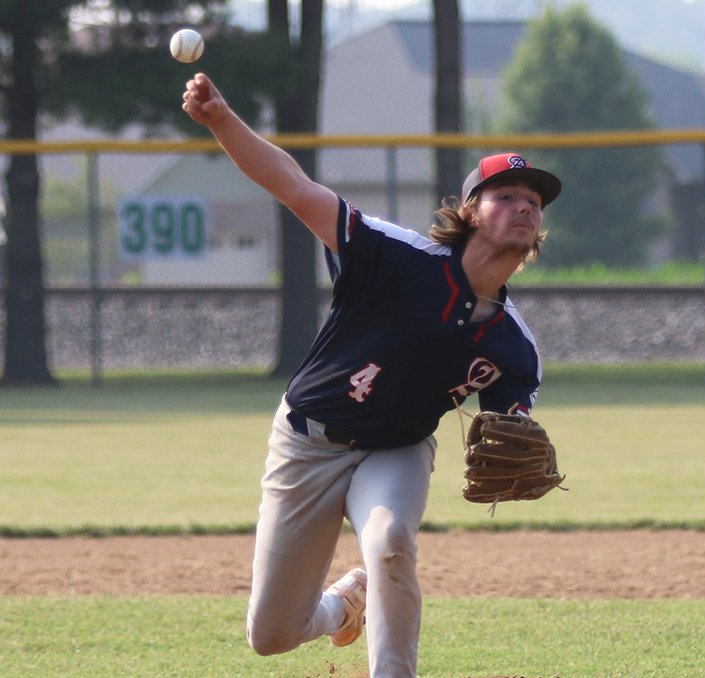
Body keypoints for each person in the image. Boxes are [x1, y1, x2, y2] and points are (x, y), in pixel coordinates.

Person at [181, 72, 562, 678]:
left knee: (390, 544)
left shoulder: (514, 348)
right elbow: (293, 186)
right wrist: (222, 120)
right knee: (271, 636)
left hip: (397, 450)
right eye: (506, 194)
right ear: (470, 210)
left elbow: (509, 419)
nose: (524, 206)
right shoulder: (394, 254)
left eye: (534, 202)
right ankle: (340, 607)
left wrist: (516, 430)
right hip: (306, 442)